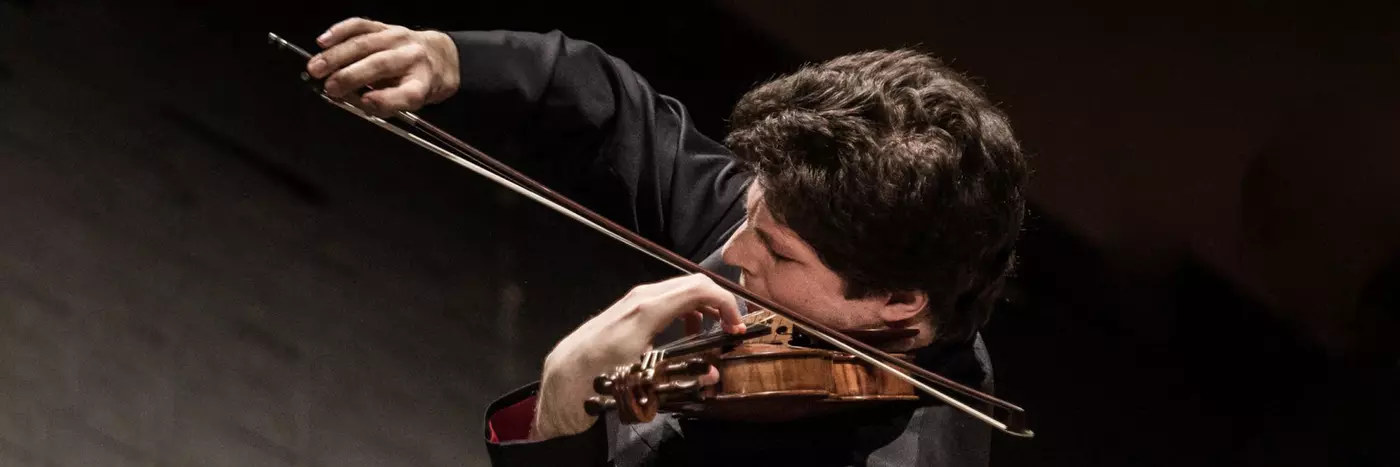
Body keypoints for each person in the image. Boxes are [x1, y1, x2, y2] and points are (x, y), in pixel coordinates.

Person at [304, 17, 1029, 467]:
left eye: (778, 253)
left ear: (897, 302)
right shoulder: (802, 226)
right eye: (751, 210)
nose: (734, 252)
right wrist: (450, 60)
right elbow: (605, 109)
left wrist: (562, 421)